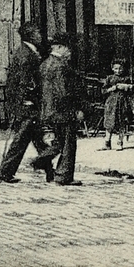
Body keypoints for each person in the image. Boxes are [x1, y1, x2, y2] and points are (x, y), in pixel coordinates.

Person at [0, 23, 45, 183]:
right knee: (21, 140)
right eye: (38, 32)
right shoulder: (26, 54)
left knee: (37, 139)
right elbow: (24, 82)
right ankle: (5, 172)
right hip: (26, 105)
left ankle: (51, 170)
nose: (40, 36)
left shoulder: (27, 51)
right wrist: (27, 100)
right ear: (30, 35)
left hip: (26, 104)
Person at [34, 36, 85, 185]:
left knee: (59, 142)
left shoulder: (44, 64)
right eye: (68, 48)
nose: (70, 52)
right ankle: (63, 176)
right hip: (63, 111)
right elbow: (64, 92)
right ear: (58, 48)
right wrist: (76, 110)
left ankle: (41, 160)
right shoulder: (61, 66)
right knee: (68, 144)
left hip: (48, 110)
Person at [101, 59, 133, 150]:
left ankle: (120, 142)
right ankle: (107, 143)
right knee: (109, 123)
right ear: (112, 69)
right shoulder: (109, 78)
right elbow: (103, 91)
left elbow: (132, 90)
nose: (118, 71)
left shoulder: (126, 79)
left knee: (121, 122)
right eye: (116, 69)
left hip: (122, 103)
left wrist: (126, 87)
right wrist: (112, 88)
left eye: (120, 69)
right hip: (111, 103)